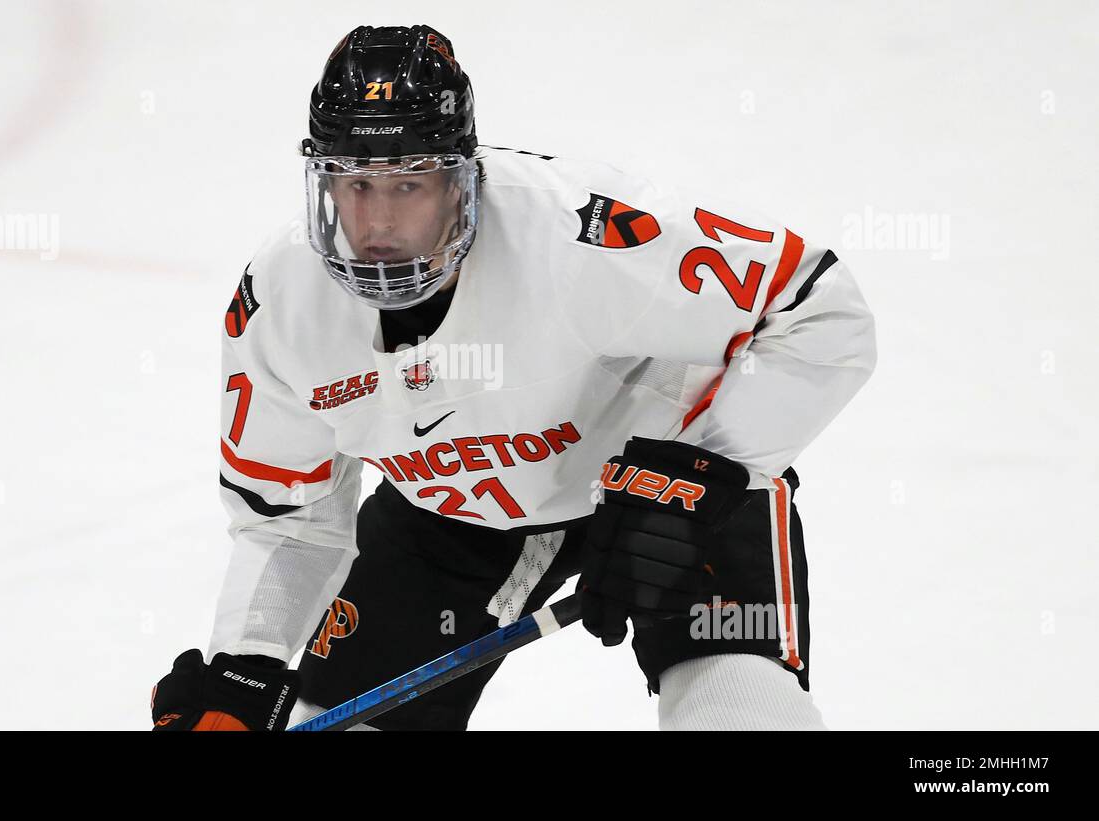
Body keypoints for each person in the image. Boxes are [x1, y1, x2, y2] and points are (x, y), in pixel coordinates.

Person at [149, 24, 876, 732]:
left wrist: (703, 473)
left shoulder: (583, 232)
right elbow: (290, 517)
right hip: (447, 518)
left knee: (740, 718)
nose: (377, 221)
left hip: (667, 482)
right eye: (356, 183)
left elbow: (818, 306)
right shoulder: (279, 302)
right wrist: (244, 669)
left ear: (464, 176)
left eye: (409, 183)